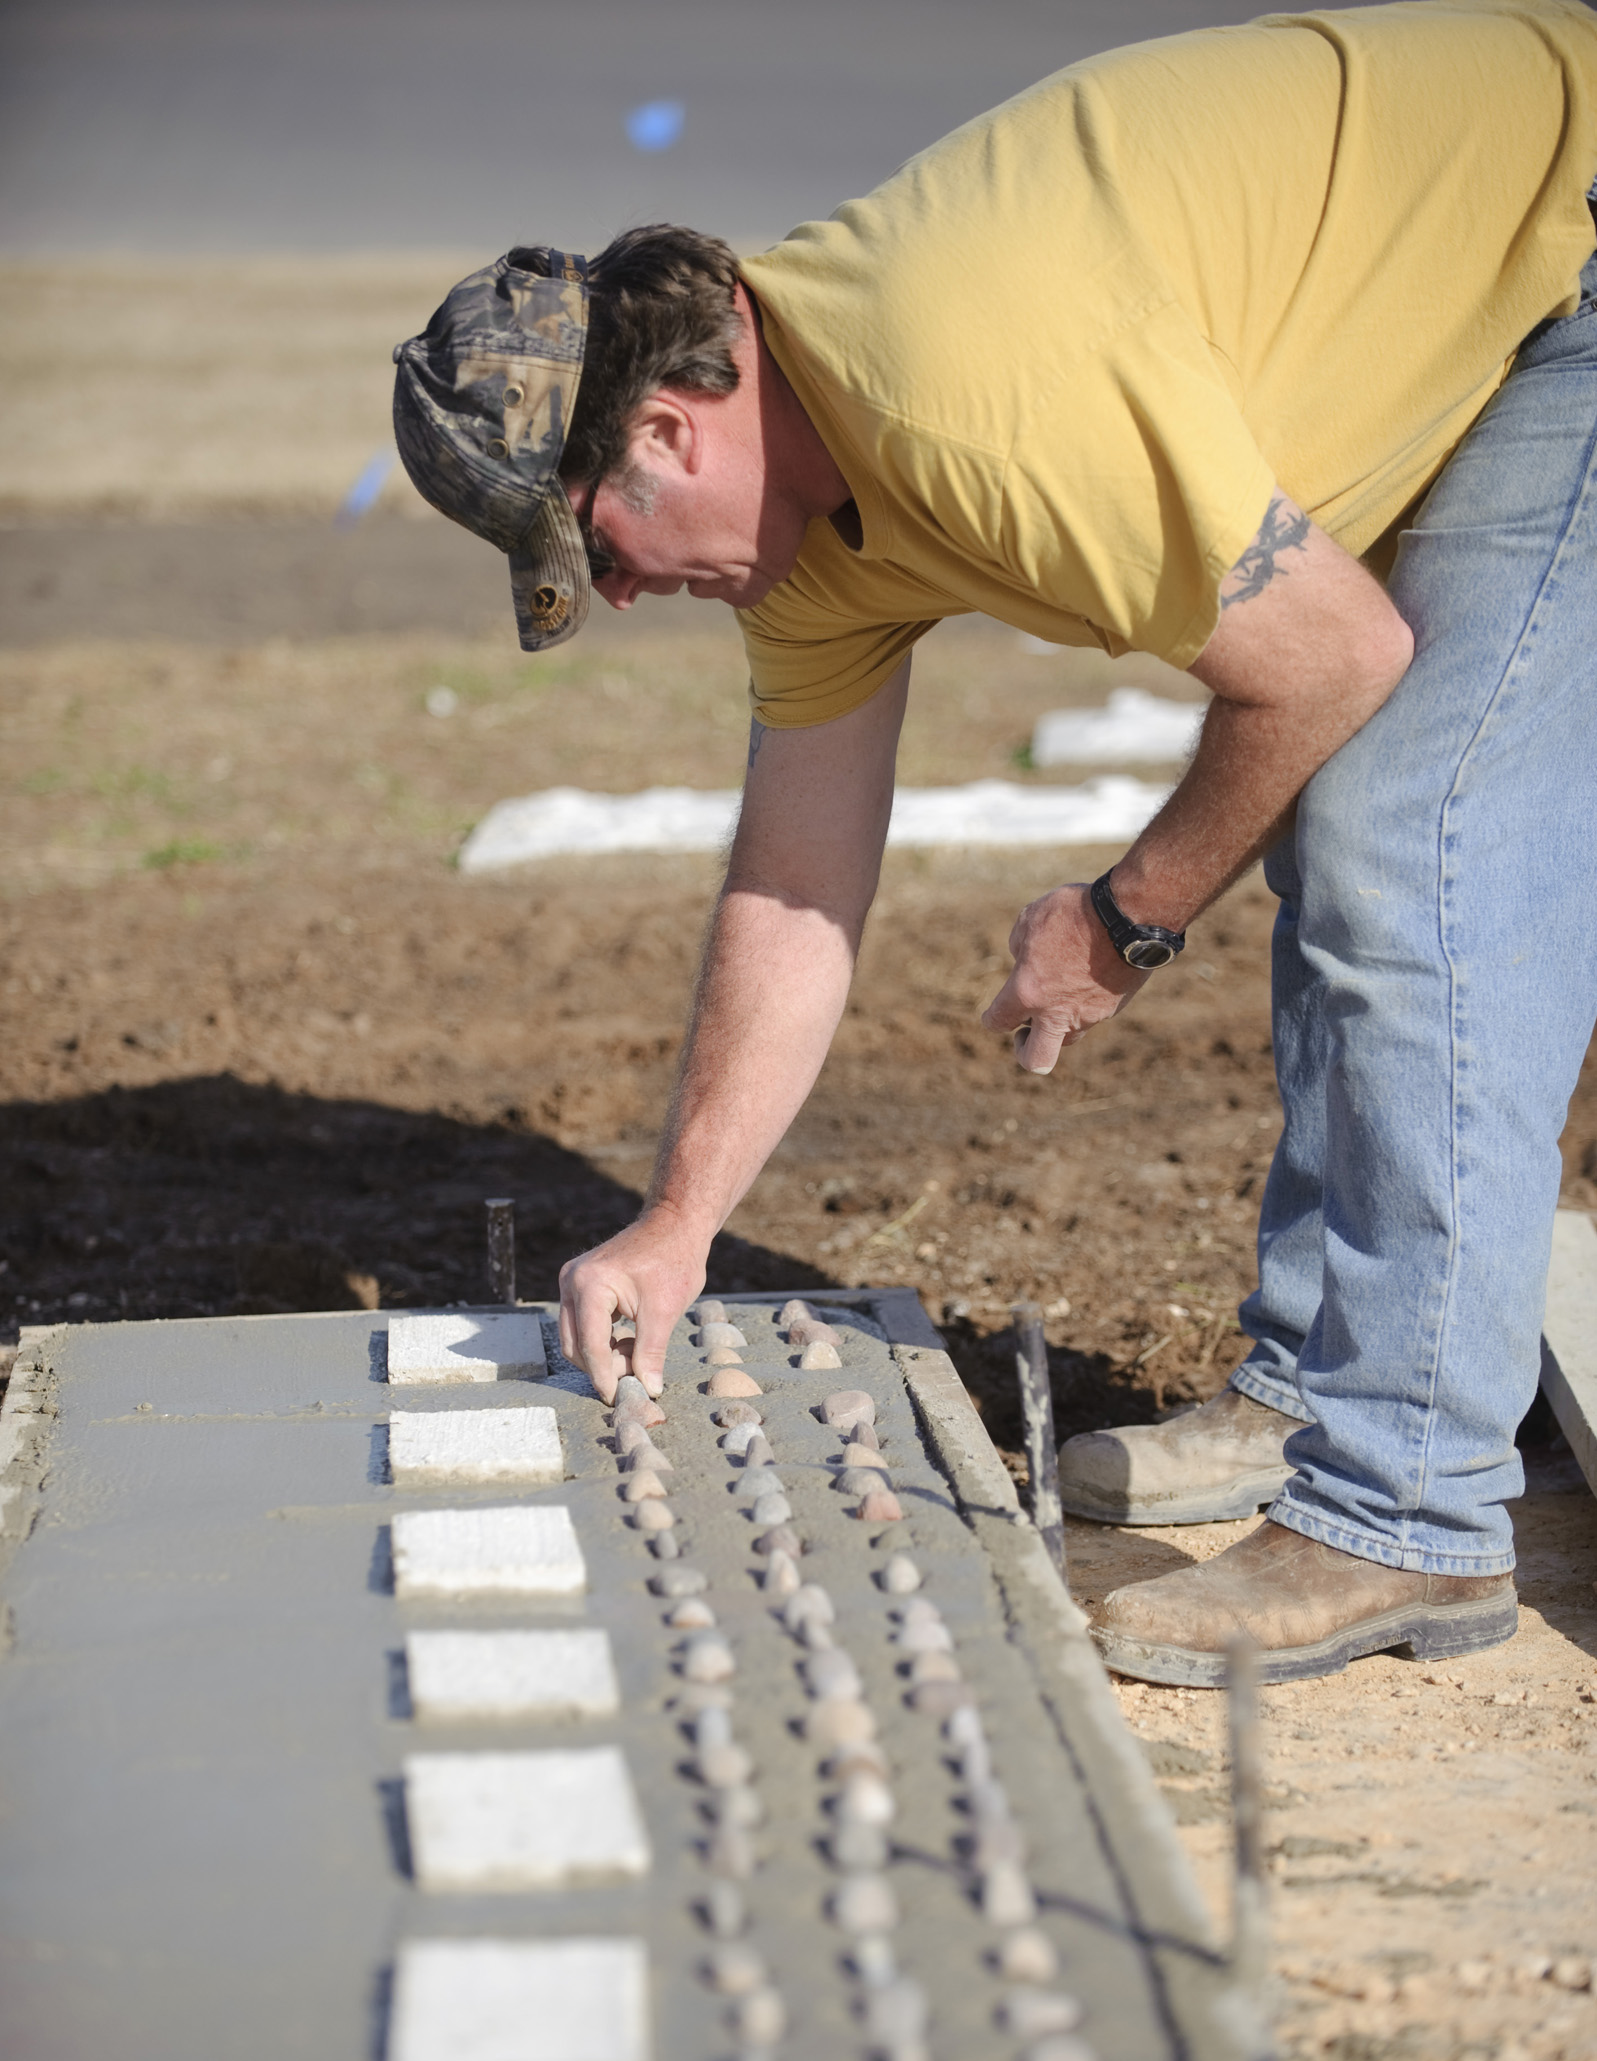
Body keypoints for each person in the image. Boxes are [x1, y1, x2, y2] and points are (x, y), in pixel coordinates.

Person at [393, 0, 1597, 1687]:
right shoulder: (806, 544)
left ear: (664, 430)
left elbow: (1330, 657)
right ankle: (1325, 1378)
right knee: (1342, 806)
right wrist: (677, 1220)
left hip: (1569, 242)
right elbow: (793, 888)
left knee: (1415, 834)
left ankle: (1402, 1508)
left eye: (593, 545)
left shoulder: (960, 386)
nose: (611, 594)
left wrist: (1125, 918)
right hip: (1464, 277)